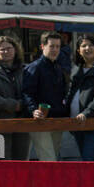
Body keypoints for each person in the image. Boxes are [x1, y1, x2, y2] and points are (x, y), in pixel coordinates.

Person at [22, 31, 71, 161]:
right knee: (48, 159)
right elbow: (26, 93)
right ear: (42, 46)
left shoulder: (58, 68)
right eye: (51, 46)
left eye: (58, 46)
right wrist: (34, 110)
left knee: (53, 158)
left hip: (56, 118)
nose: (55, 49)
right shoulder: (34, 67)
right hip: (40, 120)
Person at [0, 35, 32, 160]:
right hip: (0, 123)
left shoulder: (26, 70)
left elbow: (32, 93)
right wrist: (13, 105)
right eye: (2, 49)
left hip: (23, 122)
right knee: (1, 162)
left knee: (21, 161)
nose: (6, 51)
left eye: (9, 48)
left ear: (15, 49)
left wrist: (23, 105)